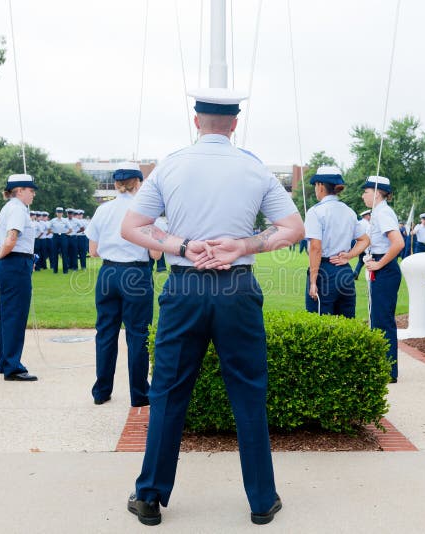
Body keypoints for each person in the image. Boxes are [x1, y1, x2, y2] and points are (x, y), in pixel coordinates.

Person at [120, 87, 303, 526]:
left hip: (185, 285)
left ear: (196, 120)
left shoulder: (171, 165)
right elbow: (293, 228)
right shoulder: (254, 169)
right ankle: (262, 500)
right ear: (235, 124)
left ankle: (149, 496)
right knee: (249, 392)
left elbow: (132, 227)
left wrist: (183, 245)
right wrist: (244, 244)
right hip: (237, 286)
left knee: (167, 392)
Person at [87, 162, 162, 407]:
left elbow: (93, 251)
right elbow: (155, 254)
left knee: (105, 332)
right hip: (135, 273)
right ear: (138, 183)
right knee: (138, 334)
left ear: (116, 183)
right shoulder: (145, 211)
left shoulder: (103, 209)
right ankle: (139, 394)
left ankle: (101, 391)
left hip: (108, 272)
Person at [304, 166, 368, 316]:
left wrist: (313, 282)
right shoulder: (349, 211)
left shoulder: (315, 211)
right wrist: (349, 255)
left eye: (315, 185)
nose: (315, 189)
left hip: (324, 271)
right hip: (345, 271)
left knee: (320, 322)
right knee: (346, 322)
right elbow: (365, 240)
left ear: (320, 186)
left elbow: (315, 248)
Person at [0, 174, 38, 382]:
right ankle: (12, 366)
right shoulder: (18, 209)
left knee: (6, 313)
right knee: (15, 314)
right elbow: (12, 238)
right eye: (31, 190)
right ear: (19, 190)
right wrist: (1, 254)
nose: (33, 194)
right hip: (15, 263)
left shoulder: (12, 207)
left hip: (14, 262)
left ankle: (5, 361)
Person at [361, 176, 403, 383]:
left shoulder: (383, 212)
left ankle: (388, 371)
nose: (363, 195)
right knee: (377, 319)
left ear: (377, 193)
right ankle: (382, 366)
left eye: (366, 191)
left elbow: (398, 243)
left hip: (385, 270)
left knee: (383, 320)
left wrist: (379, 263)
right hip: (380, 266)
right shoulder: (378, 212)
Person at [49, 207, 71, 273]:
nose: (59, 214)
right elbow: (49, 229)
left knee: (64, 253)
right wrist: (54, 233)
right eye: (58, 212)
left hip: (63, 237)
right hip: (55, 237)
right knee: (55, 254)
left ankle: (65, 270)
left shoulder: (65, 220)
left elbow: (70, 229)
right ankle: (55, 270)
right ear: (56, 213)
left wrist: (65, 234)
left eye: (60, 212)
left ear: (62, 213)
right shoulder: (53, 220)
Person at [352, 209, 371, 279]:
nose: (370, 217)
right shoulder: (368, 224)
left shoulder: (359, 223)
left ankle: (355, 275)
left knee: (361, 261)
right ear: (366, 216)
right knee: (368, 260)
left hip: (359, 244)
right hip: (366, 245)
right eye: (369, 215)